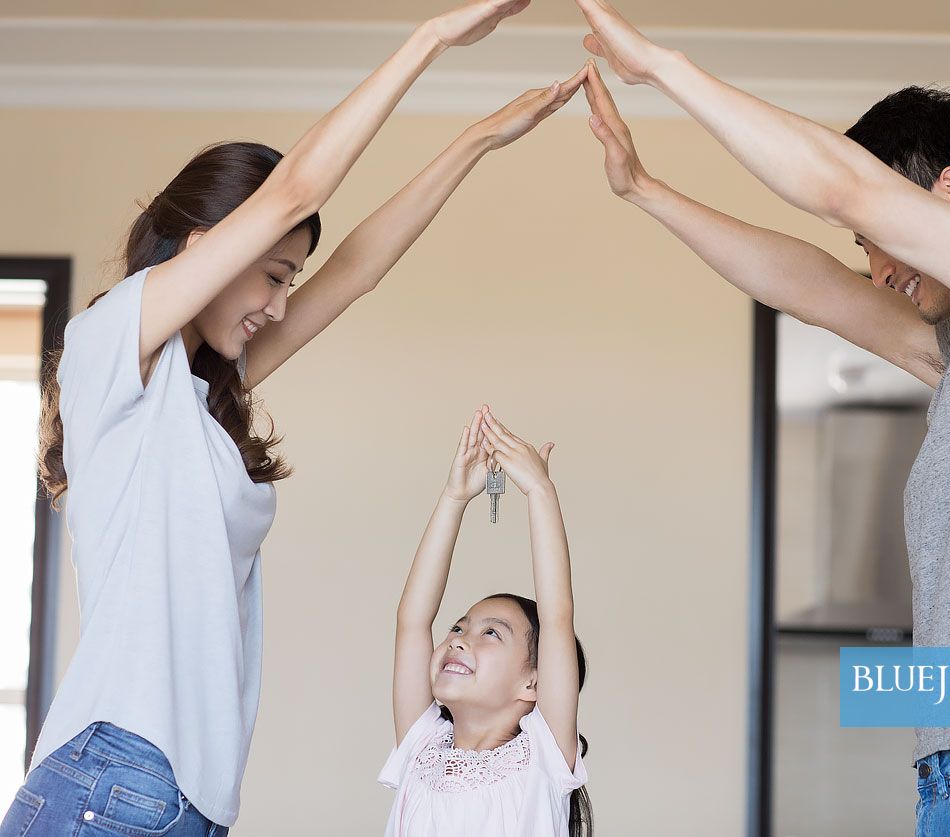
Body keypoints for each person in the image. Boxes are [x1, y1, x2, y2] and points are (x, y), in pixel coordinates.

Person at [571, 1, 950, 832]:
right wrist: (645, 190)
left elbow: (841, 187)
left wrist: (661, 69)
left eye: (877, 237)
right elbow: (814, 288)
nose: (878, 269)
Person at [0, 2, 591, 833]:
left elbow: (355, 272)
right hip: (116, 769)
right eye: (274, 274)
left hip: (171, 793)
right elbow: (296, 191)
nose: (280, 305)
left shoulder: (199, 397)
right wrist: (430, 40)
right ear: (209, 248)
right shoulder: (109, 350)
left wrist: (477, 140)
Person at [380, 406, 590, 836]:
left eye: (491, 633)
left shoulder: (543, 756)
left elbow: (556, 617)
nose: (458, 640)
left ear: (533, 682)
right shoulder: (421, 747)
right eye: (458, 627)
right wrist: (454, 498)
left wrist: (540, 491)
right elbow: (413, 620)